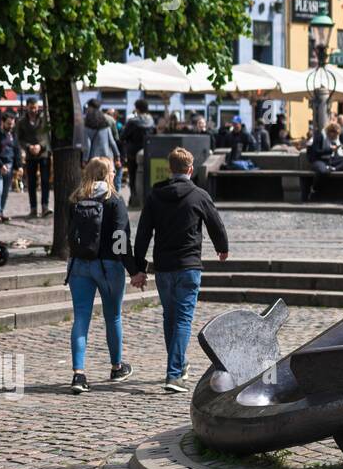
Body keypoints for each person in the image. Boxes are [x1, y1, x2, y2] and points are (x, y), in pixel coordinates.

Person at [131, 147, 229, 393]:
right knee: (183, 319)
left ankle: (179, 364)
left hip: (163, 268)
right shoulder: (199, 195)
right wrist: (222, 248)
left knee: (170, 317)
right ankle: (173, 374)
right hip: (188, 266)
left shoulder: (155, 196)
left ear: (170, 169)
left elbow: (143, 233)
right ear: (190, 169)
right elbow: (215, 223)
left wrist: (137, 266)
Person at [64, 156, 139, 394]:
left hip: (79, 266)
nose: (115, 174)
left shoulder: (75, 199)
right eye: (113, 171)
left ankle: (78, 374)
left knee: (81, 318)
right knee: (113, 317)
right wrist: (133, 269)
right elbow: (121, 239)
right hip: (108, 266)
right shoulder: (114, 201)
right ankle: (117, 367)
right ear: (107, 174)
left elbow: (70, 234)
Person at [14, 97, 52, 219]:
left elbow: (49, 136)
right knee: (31, 183)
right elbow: (19, 138)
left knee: (45, 181)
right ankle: (33, 208)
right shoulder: (21, 122)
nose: (34, 110)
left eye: (35, 107)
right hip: (30, 155)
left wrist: (41, 146)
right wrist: (28, 147)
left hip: (43, 153)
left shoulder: (44, 119)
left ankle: (45, 206)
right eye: (31, 107)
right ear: (27, 107)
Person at [306, 121, 343, 201]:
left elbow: (341, 144)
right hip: (318, 160)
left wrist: (335, 151)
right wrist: (330, 150)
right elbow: (315, 152)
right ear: (330, 132)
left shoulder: (334, 138)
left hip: (330, 160)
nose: (336, 137)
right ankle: (314, 190)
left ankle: (334, 169)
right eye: (335, 135)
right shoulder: (320, 136)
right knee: (322, 171)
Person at [118, 99, 155, 200]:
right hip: (148, 152)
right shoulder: (151, 121)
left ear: (137, 109)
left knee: (133, 176)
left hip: (133, 153)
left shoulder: (132, 122)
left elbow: (122, 137)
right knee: (147, 175)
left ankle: (134, 197)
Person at [0, 112, 20, 224]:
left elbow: (17, 151)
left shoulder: (14, 136)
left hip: (10, 166)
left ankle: (1, 212)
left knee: (5, 191)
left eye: (12, 124)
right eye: (8, 123)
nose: (10, 126)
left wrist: (19, 166)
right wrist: (1, 165)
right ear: (3, 122)